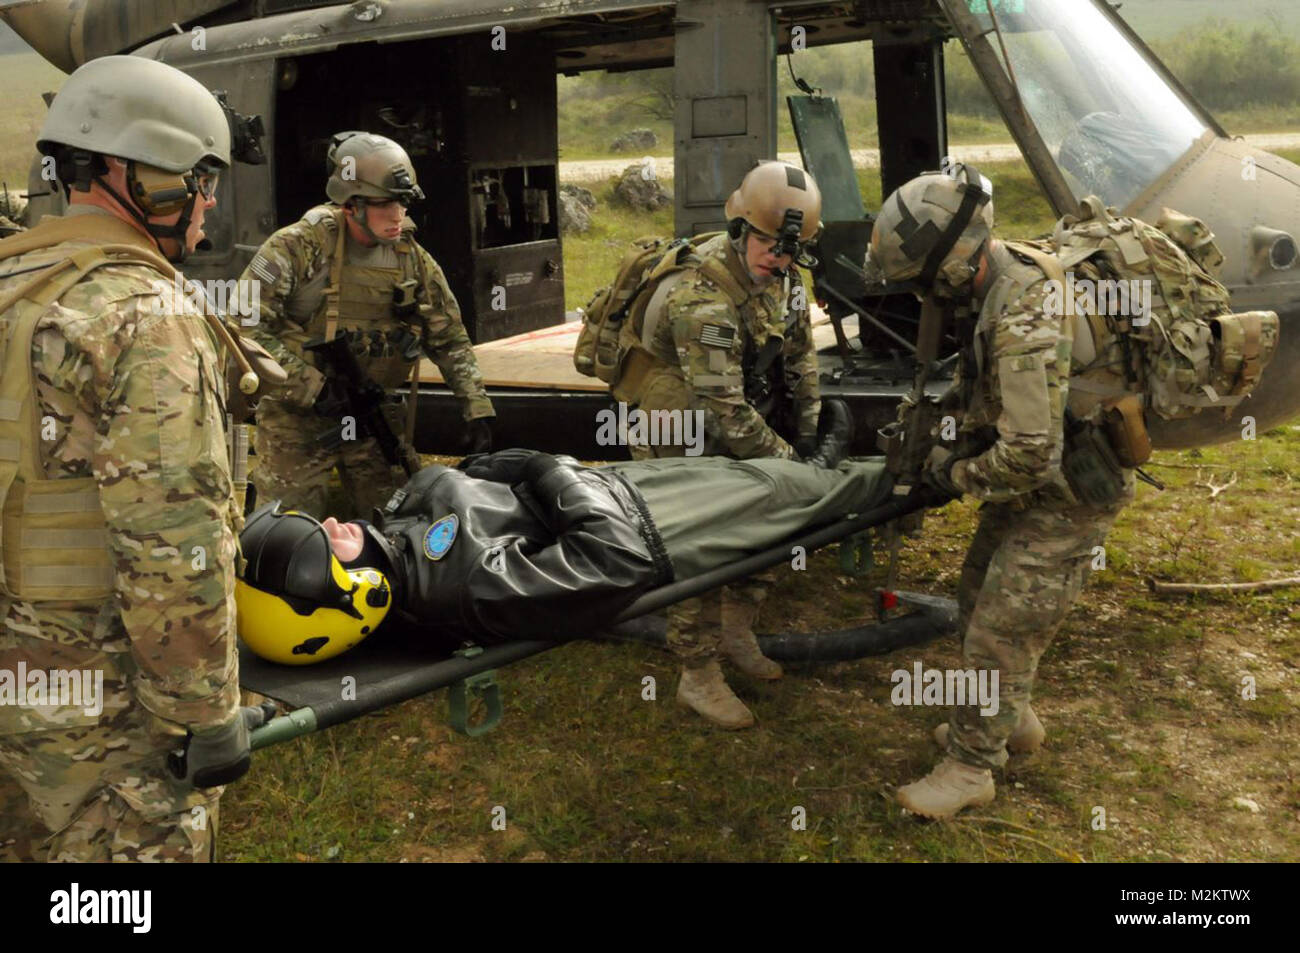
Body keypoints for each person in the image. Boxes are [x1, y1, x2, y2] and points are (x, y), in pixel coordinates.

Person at [0, 56, 254, 862]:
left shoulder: (13, 281)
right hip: (103, 703)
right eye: (200, 179)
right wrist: (203, 714)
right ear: (136, 171)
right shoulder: (148, 315)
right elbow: (174, 545)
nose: (209, 204)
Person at [864, 164, 1133, 819]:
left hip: (1068, 493)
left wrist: (952, 476)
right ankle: (1009, 718)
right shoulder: (994, 280)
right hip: (1037, 485)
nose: (920, 298)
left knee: (1001, 634)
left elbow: (1030, 454)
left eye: (921, 283)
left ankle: (970, 767)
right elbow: (984, 394)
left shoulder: (1025, 308)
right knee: (977, 597)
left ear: (951, 266)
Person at [234, 413, 878, 667]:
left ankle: (825, 469)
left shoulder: (394, 541)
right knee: (789, 494)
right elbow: (612, 560)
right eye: (322, 546)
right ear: (352, 599)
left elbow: (467, 489)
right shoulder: (466, 591)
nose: (328, 525)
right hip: (650, 524)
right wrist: (546, 471)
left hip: (608, 490)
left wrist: (523, 473)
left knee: (765, 474)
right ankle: (909, 474)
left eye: (311, 523)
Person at [605, 160, 825, 728]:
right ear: (739, 229)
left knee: (772, 513)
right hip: (675, 419)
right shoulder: (699, 298)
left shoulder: (785, 279)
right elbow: (723, 412)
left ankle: (734, 628)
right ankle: (697, 673)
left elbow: (801, 358)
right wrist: (792, 466)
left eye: (788, 252)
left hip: (731, 406)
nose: (775, 260)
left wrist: (809, 429)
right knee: (698, 541)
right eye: (766, 244)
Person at [241, 131, 495, 521]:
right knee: (287, 532)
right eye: (384, 204)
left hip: (372, 420)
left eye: (403, 203)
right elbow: (244, 325)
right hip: (298, 423)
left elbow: (449, 336)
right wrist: (310, 386)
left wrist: (475, 406)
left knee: (393, 526)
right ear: (351, 205)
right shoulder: (298, 246)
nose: (398, 215)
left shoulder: (411, 257)